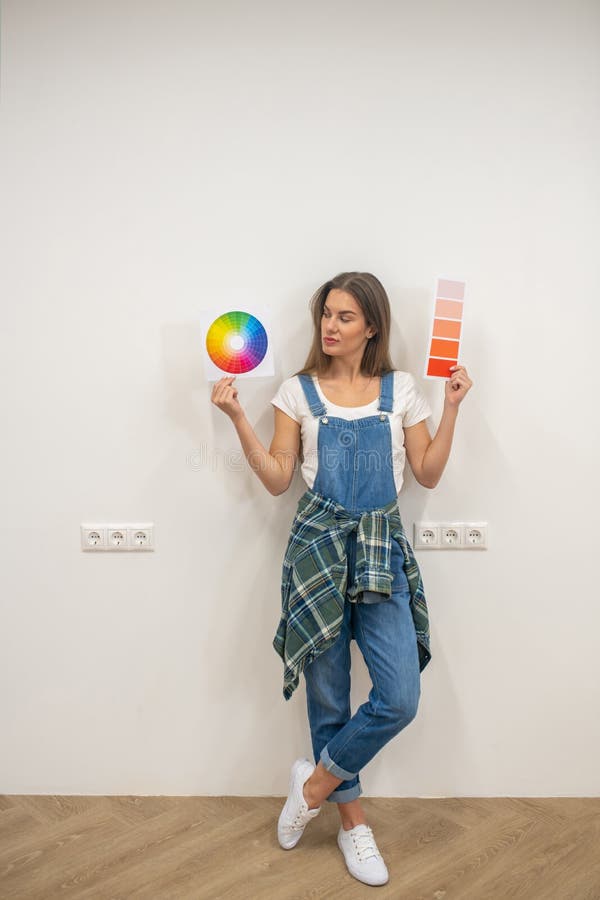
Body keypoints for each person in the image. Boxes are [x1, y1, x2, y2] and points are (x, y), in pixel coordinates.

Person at [211, 271, 472, 887]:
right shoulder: (296, 392)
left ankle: (315, 784)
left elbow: (428, 474)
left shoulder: (401, 389)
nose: (330, 326)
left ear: (372, 326)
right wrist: (236, 420)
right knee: (329, 699)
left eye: (346, 317)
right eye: (327, 314)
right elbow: (278, 478)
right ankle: (354, 825)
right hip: (317, 554)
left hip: (382, 552)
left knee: (399, 697)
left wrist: (453, 406)